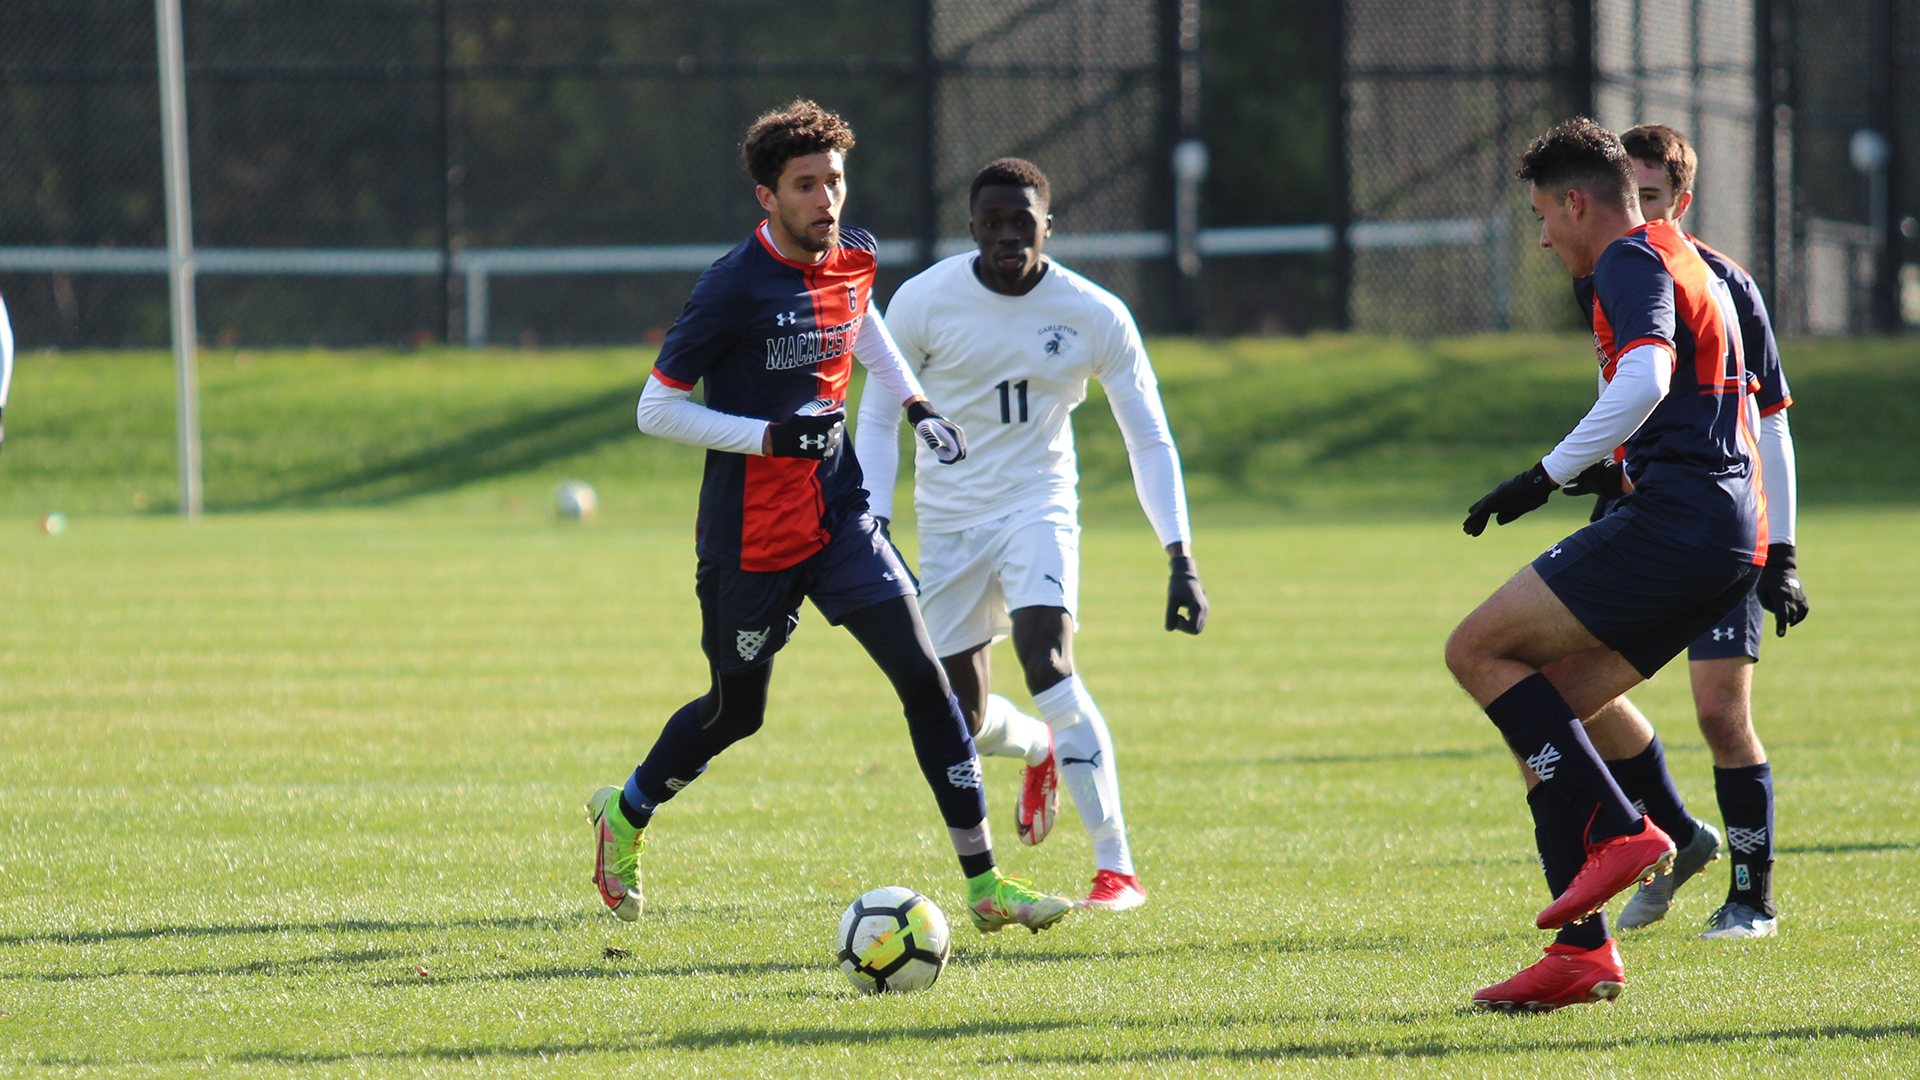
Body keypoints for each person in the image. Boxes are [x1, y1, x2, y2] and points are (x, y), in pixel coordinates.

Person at [586, 101, 1074, 936]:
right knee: (737, 712)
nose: (827, 200)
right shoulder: (732, 285)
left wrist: (916, 403)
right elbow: (655, 410)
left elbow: (861, 322)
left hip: (840, 519)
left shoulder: (853, 256)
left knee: (927, 682)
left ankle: (986, 885)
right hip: (751, 540)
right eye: (806, 185)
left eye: (835, 181)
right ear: (766, 197)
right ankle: (625, 812)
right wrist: (770, 436)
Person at [1445, 117, 1768, 1012]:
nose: (1543, 235)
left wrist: (1543, 476)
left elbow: (1647, 379)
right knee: (1542, 714)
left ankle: (1632, 833)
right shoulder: (1683, 253)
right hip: (1727, 534)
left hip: (1680, 517)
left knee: (1475, 651)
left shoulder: (1628, 258)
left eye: (1545, 215)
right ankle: (1581, 955)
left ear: (1577, 203)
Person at [854, 158, 1207, 912]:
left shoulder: (1094, 312)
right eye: (993, 221)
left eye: (1024, 220)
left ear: (1050, 224)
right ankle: (1040, 748)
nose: (1008, 234)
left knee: (1047, 660)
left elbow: (1150, 439)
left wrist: (1180, 554)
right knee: (962, 719)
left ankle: (1117, 870)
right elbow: (879, 416)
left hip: (1037, 507)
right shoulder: (922, 302)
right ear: (973, 226)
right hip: (948, 523)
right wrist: (873, 520)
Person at [1575, 124, 1808, 941]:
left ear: (1680, 199)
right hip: (1642, 509)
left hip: (1715, 519)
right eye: (1624, 192)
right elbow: (1624, 388)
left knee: (1718, 711)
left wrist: (1782, 552)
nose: (1633, 209)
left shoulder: (1726, 284)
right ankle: (1674, 831)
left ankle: (1753, 897)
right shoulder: (1613, 273)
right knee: (1572, 688)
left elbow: (1770, 421)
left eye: (1649, 194)